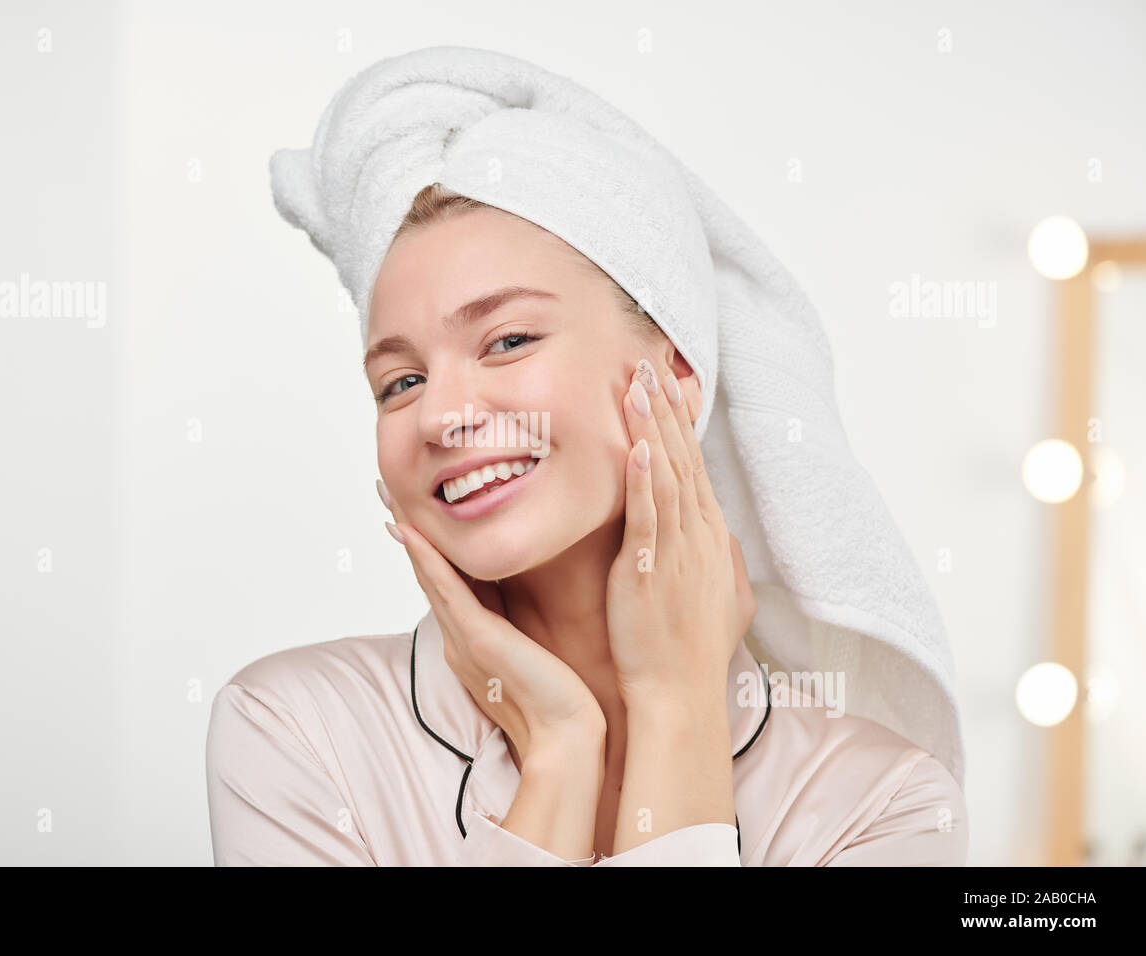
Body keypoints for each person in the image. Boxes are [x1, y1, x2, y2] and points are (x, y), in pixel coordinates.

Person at [204, 182, 969, 866]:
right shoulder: (298, 731)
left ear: (670, 374)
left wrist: (678, 713)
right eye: (401, 382)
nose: (438, 415)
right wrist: (561, 755)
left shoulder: (880, 804)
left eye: (508, 340)